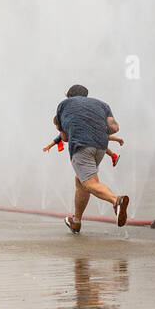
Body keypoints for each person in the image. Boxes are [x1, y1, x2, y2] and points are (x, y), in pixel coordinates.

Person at [52, 84, 129, 232]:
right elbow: (114, 128)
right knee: (81, 181)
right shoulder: (102, 104)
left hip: (82, 145)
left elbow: (64, 137)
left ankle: (116, 201)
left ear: (68, 95)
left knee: (89, 183)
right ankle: (76, 221)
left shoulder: (63, 105)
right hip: (101, 146)